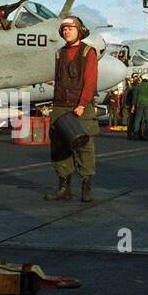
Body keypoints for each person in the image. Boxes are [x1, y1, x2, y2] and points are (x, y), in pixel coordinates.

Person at [45, 16, 99, 202]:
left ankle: (86, 186)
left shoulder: (88, 52)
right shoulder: (59, 53)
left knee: (85, 146)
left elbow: (90, 80)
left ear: (79, 30)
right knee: (59, 147)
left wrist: (83, 104)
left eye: (71, 28)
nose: (67, 31)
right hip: (60, 106)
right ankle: (64, 187)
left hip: (80, 106)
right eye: (64, 29)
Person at [131, 73, 148, 140]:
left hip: (140, 105)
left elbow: (135, 97)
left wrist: (133, 106)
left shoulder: (138, 86)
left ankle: (136, 134)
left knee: (137, 120)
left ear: (141, 78)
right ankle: (147, 135)